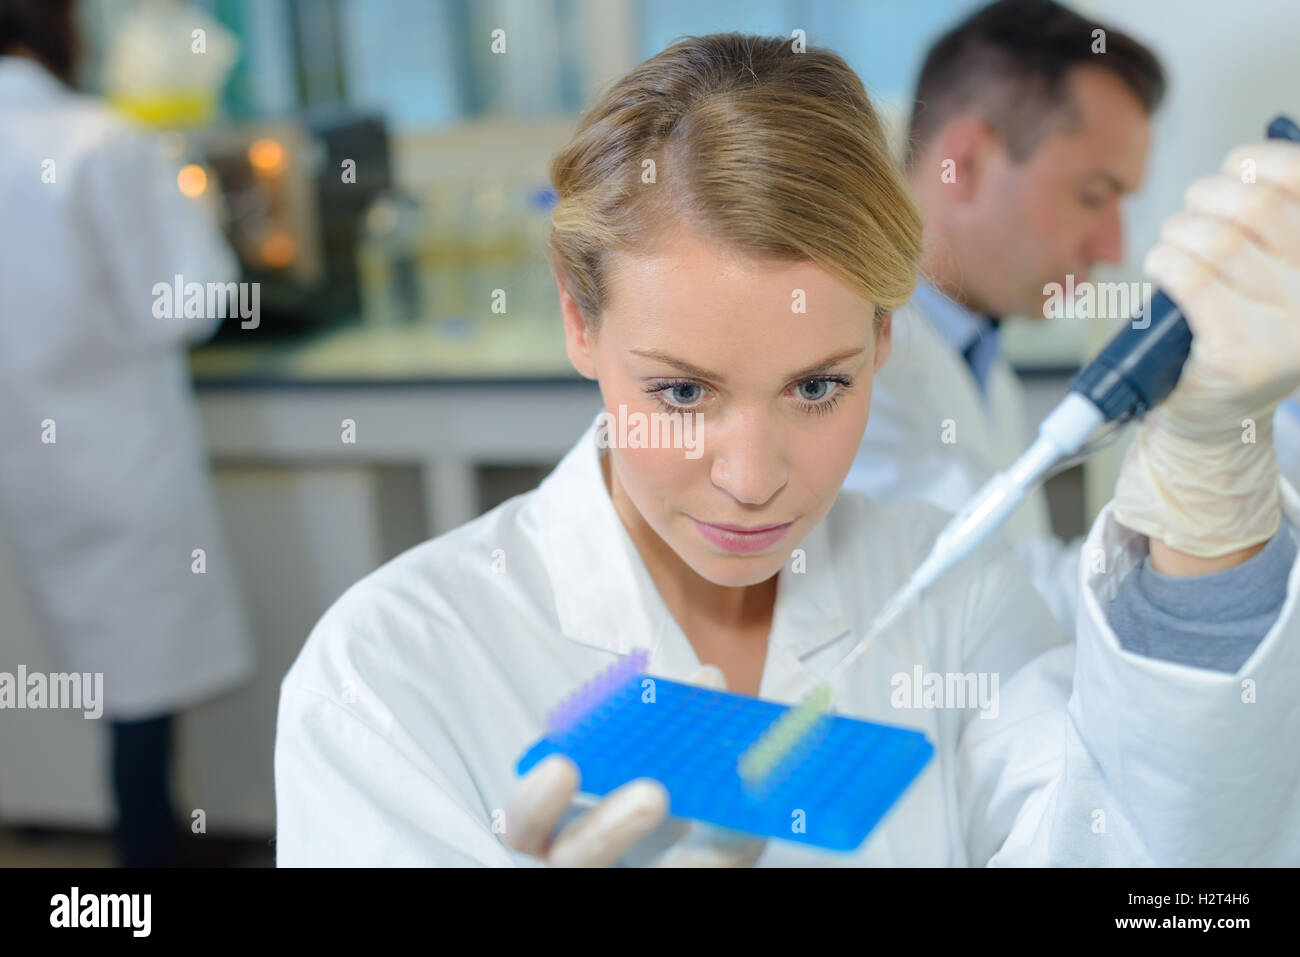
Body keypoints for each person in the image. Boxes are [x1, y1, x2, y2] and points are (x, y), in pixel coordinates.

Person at [274, 33, 1300, 866]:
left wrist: (1211, 483)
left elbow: (1144, 871)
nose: (754, 479)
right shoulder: (388, 672)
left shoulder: (958, 599)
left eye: (818, 387)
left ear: (882, 340)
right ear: (578, 320)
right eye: (682, 391)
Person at [0, 0, 254, 866]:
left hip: (27, 459)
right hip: (115, 453)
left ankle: (153, 839)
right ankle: (146, 859)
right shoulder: (98, 140)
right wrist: (203, 219)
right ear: (60, 29)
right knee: (143, 672)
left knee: (113, 665)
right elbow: (176, 307)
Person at [842, 0, 1168, 630]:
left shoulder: (982, 361)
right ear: (964, 163)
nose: (1112, 248)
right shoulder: (840, 356)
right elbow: (984, 605)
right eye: (1092, 196)